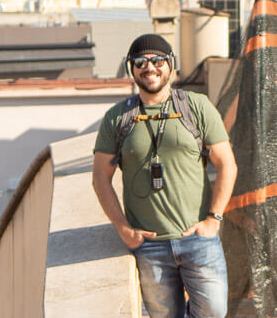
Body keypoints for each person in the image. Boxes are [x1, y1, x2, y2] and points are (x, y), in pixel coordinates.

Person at [93, 33, 237, 318]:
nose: (150, 67)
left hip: (198, 240)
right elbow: (100, 178)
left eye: (158, 60)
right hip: (150, 247)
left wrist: (214, 219)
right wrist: (123, 229)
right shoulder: (117, 118)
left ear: (171, 64)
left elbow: (227, 164)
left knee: (214, 312)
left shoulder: (196, 107)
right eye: (141, 62)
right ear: (131, 68)